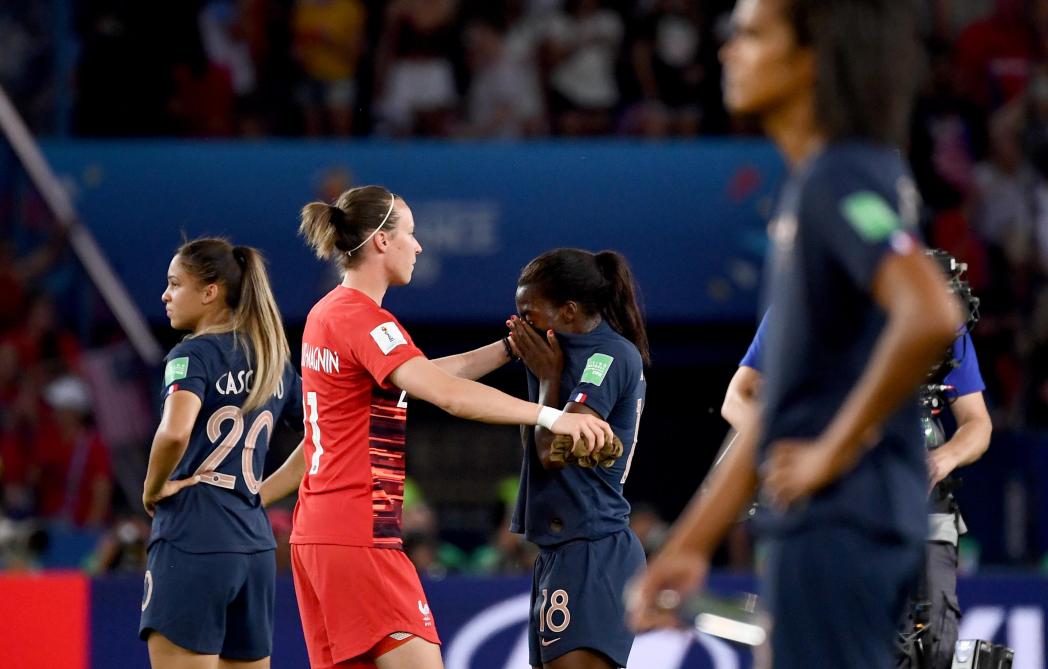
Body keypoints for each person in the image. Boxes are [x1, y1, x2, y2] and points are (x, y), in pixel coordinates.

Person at [626, 1, 964, 667]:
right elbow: (778, 405)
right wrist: (691, 542)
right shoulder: (825, 183)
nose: (728, 49)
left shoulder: (838, 179)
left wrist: (830, 452)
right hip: (831, 523)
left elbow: (929, 311)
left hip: (839, 521)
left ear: (812, 57)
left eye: (752, 33)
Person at [259, 185, 613, 669]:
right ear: (382, 241)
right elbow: (447, 396)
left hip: (318, 538)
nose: (418, 245)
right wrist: (552, 416)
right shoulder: (365, 320)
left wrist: (507, 350)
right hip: (361, 539)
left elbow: (414, 383)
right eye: (410, 232)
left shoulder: (327, 315)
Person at [139, 238, 303, 669]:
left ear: (210, 292)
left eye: (175, 284)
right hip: (254, 547)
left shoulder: (192, 356)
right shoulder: (273, 362)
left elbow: (174, 433)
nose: (165, 294)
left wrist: (153, 487)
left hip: (193, 539)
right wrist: (259, 495)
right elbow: (327, 437)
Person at [506, 248, 649, 669]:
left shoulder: (605, 357)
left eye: (529, 312)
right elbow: (533, 448)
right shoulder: (556, 355)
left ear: (567, 311)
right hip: (560, 550)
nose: (520, 323)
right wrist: (542, 376)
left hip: (593, 547)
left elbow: (552, 452)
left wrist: (548, 379)